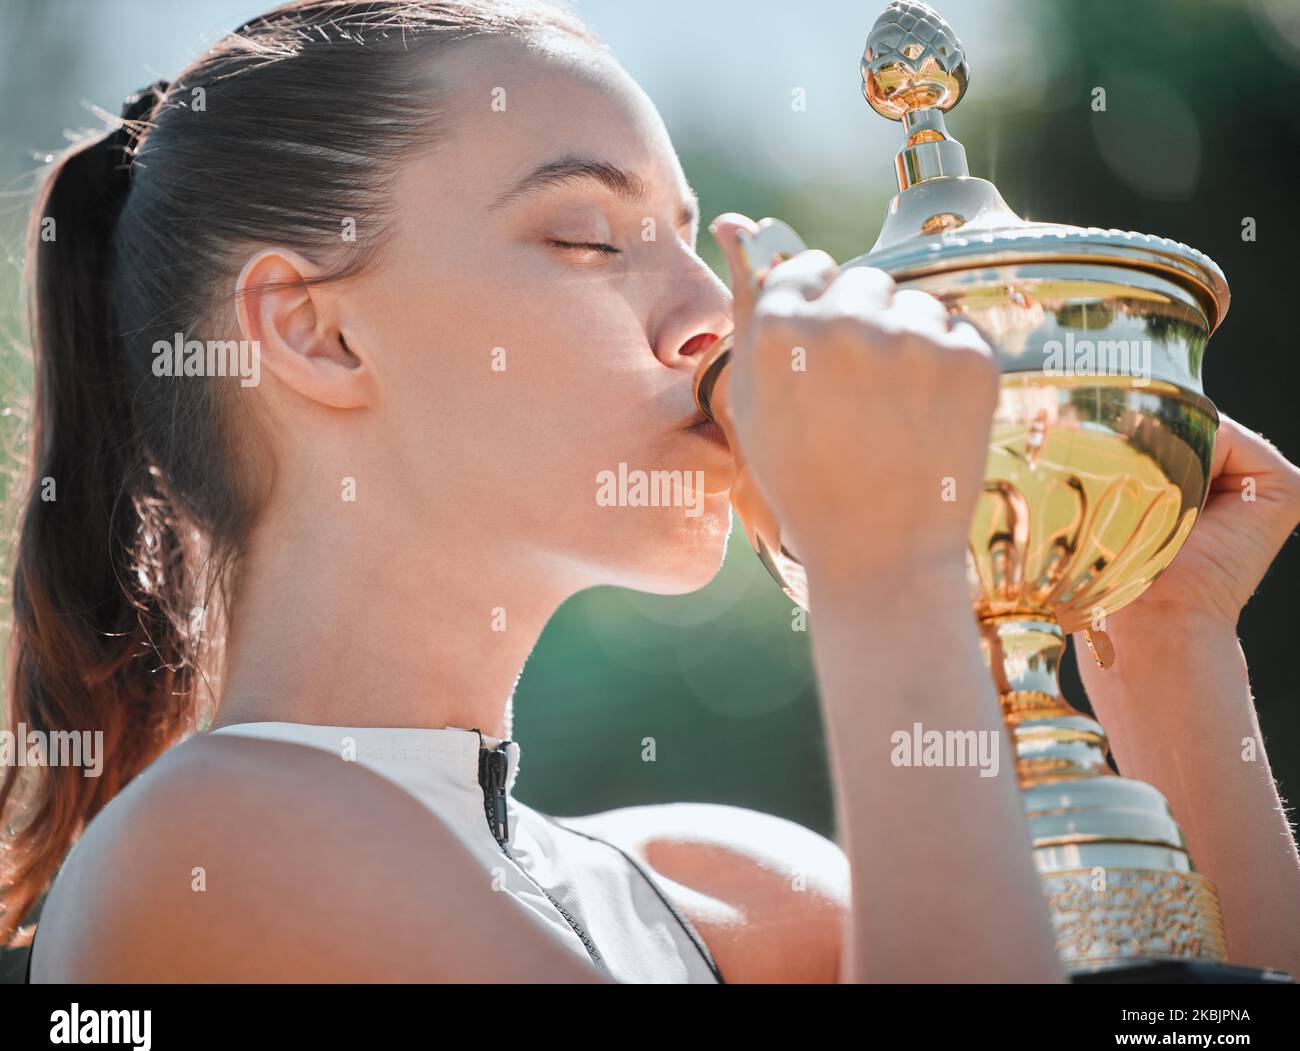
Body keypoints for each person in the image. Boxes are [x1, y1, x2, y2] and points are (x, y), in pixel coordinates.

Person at [4, 0, 1298, 984]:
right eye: (586, 236)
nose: (707, 313)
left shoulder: (735, 881)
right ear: (314, 333)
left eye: (696, 238)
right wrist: (882, 573)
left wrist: (1157, 639)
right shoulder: (217, 851)